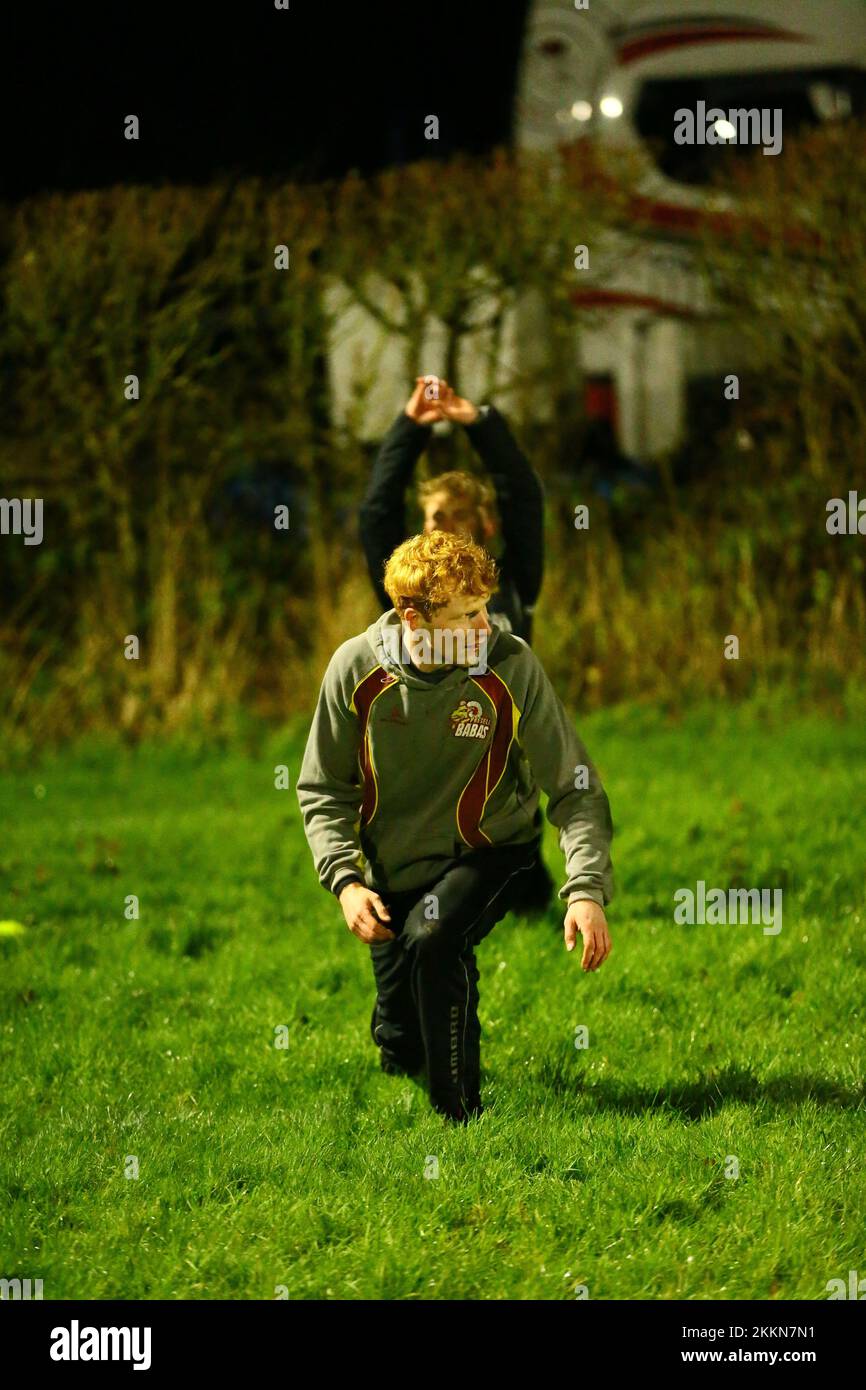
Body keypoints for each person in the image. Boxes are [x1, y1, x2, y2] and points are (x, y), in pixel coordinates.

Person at [295, 530, 614, 1124]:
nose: (486, 626)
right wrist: (346, 881)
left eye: (486, 608)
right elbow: (323, 787)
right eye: (468, 615)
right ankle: (406, 1044)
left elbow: (575, 785)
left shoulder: (510, 665)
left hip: (494, 850)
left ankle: (460, 1121)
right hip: (394, 866)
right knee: (400, 1040)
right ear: (414, 621)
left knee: (435, 937)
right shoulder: (355, 670)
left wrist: (586, 890)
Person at [359, 377, 544, 645]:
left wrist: (480, 423)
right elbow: (378, 512)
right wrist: (410, 426)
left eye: (460, 515)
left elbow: (523, 497)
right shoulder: (406, 590)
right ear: (424, 528)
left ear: (488, 525)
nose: (446, 525)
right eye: (438, 516)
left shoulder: (514, 581)